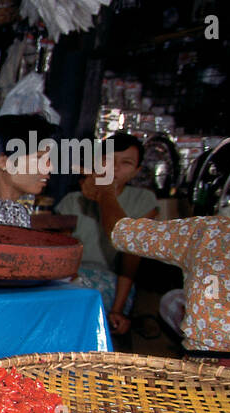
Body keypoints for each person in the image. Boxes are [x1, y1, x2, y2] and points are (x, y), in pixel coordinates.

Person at [109, 184, 230, 360]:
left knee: (174, 300)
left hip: (205, 370)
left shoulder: (210, 232)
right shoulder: (213, 230)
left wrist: (105, 194)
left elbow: (120, 232)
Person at [55, 133, 159, 335]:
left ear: (136, 171)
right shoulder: (72, 199)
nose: (115, 167)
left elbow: (131, 260)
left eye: (126, 163)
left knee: (83, 297)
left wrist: (118, 310)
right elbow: (62, 253)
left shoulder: (143, 199)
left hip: (113, 281)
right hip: (71, 276)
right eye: (108, 159)